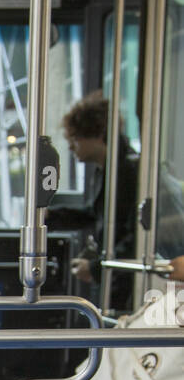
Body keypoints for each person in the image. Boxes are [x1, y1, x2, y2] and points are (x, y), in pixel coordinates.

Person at [55, 90, 140, 312]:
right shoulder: (106, 171)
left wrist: (96, 268)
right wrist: (49, 216)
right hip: (116, 279)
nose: (72, 147)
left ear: (99, 135)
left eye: (76, 139)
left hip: (129, 285)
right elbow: (96, 213)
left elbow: (136, 237)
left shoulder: (128, 173)